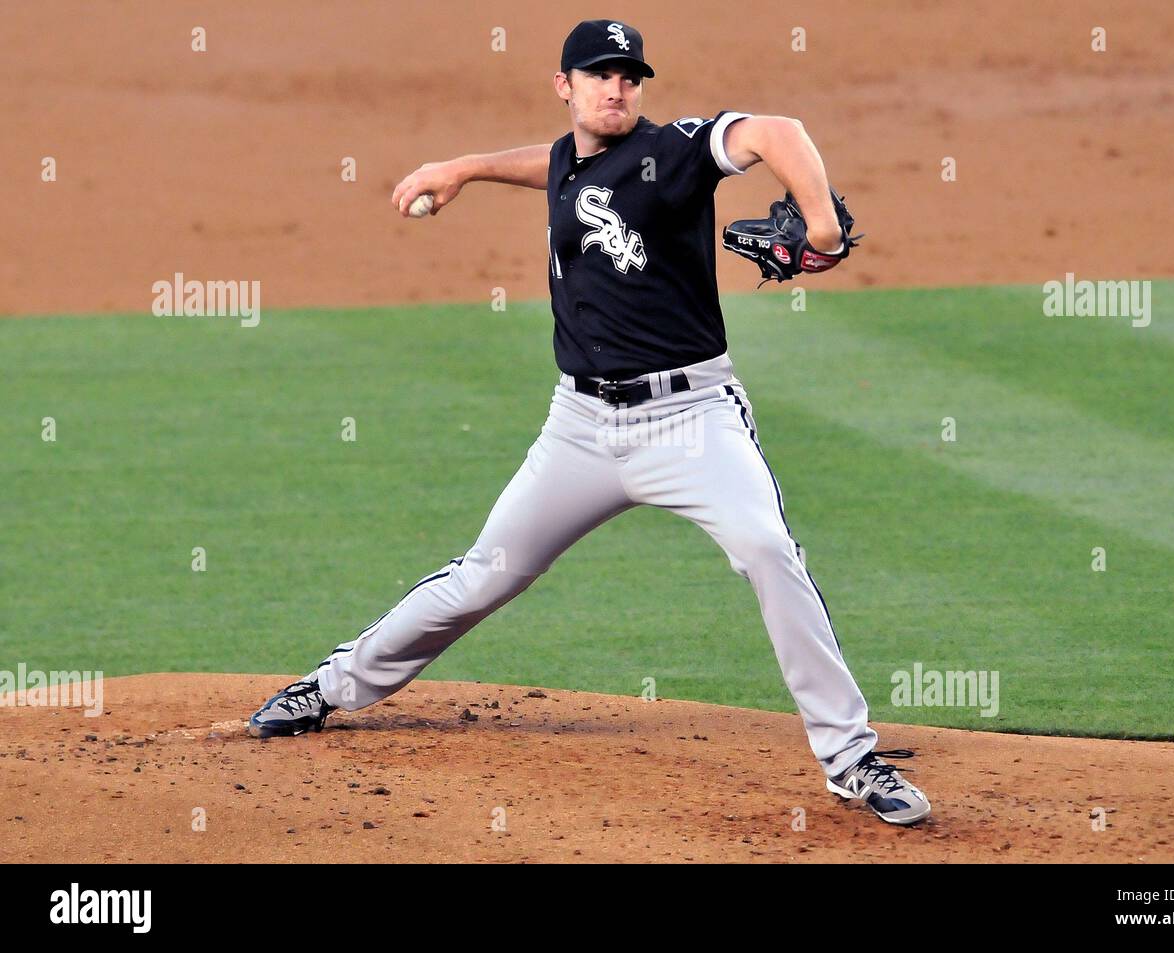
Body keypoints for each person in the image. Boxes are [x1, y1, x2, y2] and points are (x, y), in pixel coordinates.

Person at [249, 18, 930, 826]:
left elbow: (780, 132)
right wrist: (461, 167)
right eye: (600, 74)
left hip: (690, 419)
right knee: (486, 572)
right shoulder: (571, 157)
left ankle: (851, 757)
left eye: (629, 75)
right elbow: (549, 165)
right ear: (563, 86)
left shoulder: (674, 153)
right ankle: (328, 686)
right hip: (579, 425)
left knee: (767, 550)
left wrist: (820, 225)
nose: (617, 87)